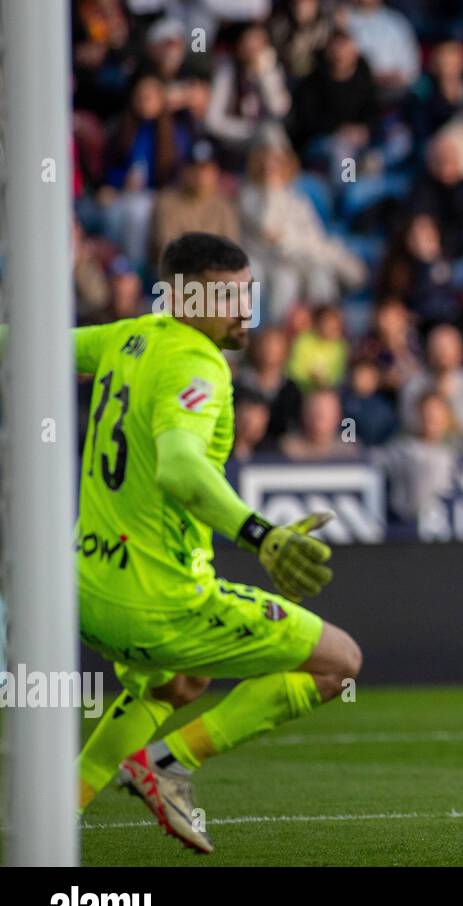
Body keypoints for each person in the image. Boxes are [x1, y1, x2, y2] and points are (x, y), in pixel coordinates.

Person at [70, 232, 361, 853]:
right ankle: (166, 763)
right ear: (182, 297)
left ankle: (56, 808)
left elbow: (30, 346)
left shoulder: (127, 337)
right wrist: (261, 535)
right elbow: (179, 469)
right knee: (340, 662)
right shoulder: (197, 363)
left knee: (178, 682)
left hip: (87, 594)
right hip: (161, 603)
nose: (243, 308)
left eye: (246, 292)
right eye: (226, 295)